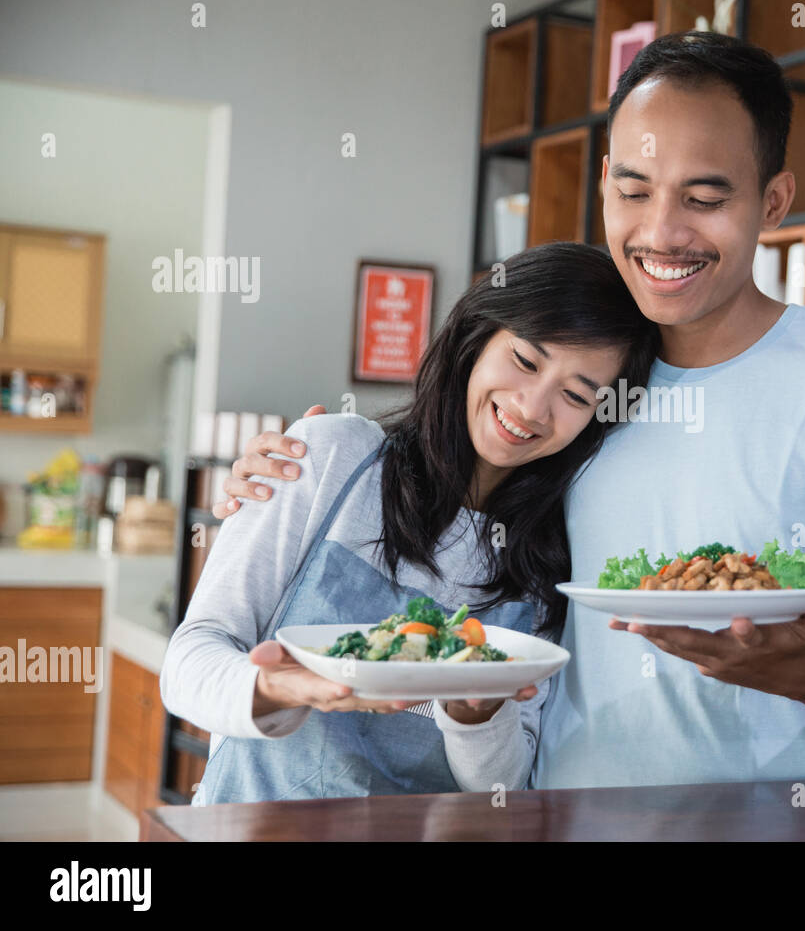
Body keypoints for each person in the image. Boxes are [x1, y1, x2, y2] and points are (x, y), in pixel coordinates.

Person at [214, 32, 805, 790]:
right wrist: (291, 470)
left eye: (706, 198)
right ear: (605, 182)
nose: (662, 233)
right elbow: (453, 490)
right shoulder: (584, 383)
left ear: (773, 201)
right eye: (635, 191)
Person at [161, 243, 659, 803]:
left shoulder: (549, 561)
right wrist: (277, 688)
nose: (532, 407)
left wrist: (479, 714)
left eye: (575, 394)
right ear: (477, 336)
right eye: (524, 360)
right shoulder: (331, 456)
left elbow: (501, 786)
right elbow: (188, 661)